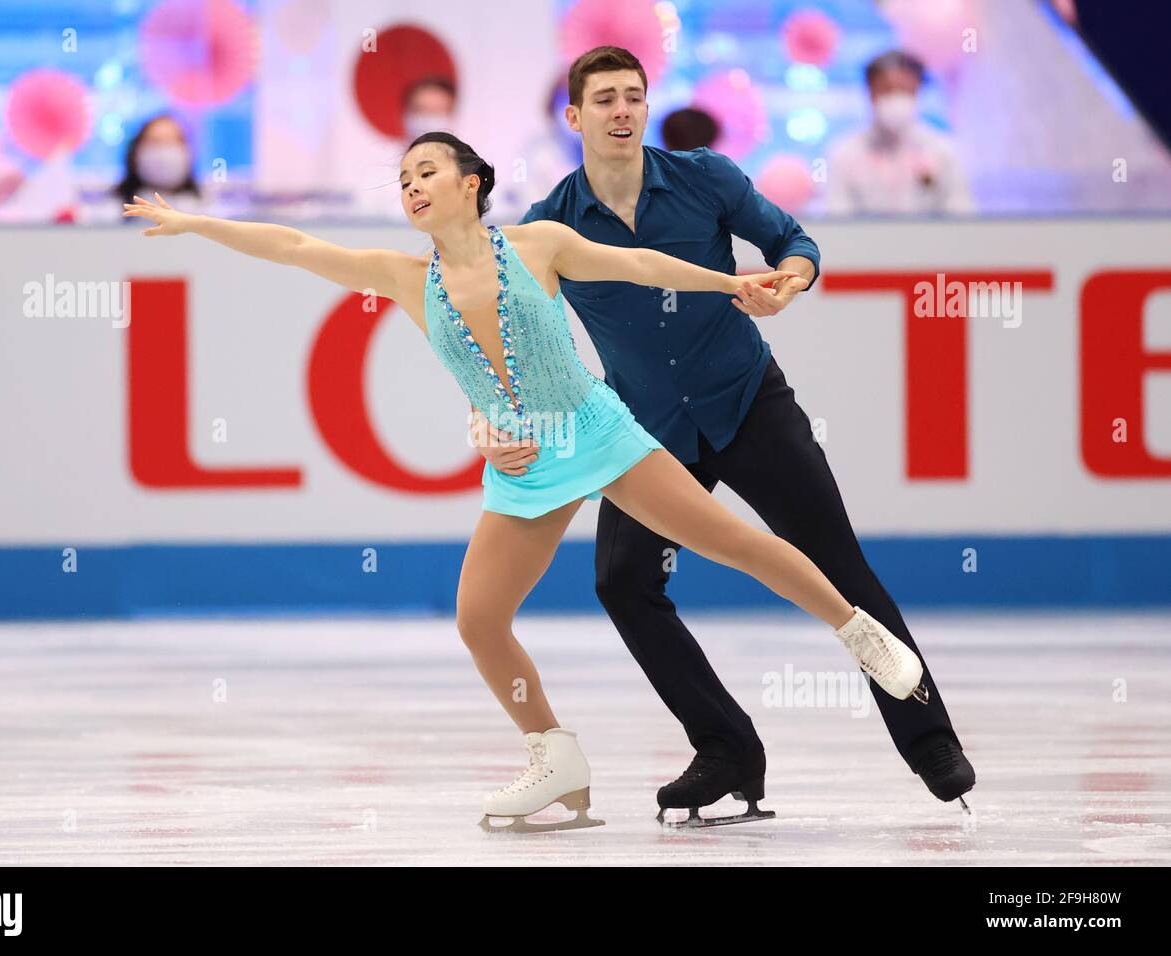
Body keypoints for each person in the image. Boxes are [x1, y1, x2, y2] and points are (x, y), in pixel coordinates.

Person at [122, 130, 928, 833]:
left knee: (736, 544)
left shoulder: (538, 243)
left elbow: (641, 265)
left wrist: (730, 284)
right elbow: (295, 247)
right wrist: (195, 222)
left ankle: (859, 633)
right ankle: (555, 756)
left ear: (471, 184)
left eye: (426, 172)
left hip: (597, 432)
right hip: (524, 461)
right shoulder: (406, 277)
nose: (411, 188)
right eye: (402, 181)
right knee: (479, 618)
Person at [489, 46, 973, 818]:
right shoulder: (548, 227)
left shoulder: (705, 178)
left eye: (634, 97)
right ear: (573, 117)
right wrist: (501, 421)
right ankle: (727, 747)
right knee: (623, 582)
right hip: (646, 435)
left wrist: (792, 281)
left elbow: (794, 241)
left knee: (837, 562)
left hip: (749, 405)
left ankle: (929, 738)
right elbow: (514, 341)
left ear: (648, 108)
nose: (622, 110)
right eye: (605, 98)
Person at [824, 50, 975, 215]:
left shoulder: (942, 150)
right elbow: (837, 217)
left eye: (905, 90)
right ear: (870, 92)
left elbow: (961, 213)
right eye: (887, 90)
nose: (896, 98)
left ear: (918, 90)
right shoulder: (845, 153)